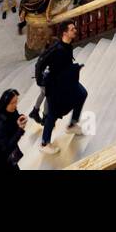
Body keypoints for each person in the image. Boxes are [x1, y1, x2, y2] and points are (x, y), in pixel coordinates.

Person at [36, 19, 87, 154]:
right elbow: (46, 66)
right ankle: (44, 143)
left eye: (74, 28)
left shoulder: (67, 45)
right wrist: (41, 82)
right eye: (72, 29)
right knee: (52, 113)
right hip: (56, 87)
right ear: (65, 33)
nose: (75, 30)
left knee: (82, 94)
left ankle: (72, 124)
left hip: (66, 83)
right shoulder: (57, 50)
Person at [0, 89, 28, 170]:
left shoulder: (12, 110)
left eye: (16, 101)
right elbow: (7, 146)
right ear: (5, 104)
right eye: (12, 103)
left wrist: (20, 118)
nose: (15, 105)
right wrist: (20, 130)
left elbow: (15, 118)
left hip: (9, 158)